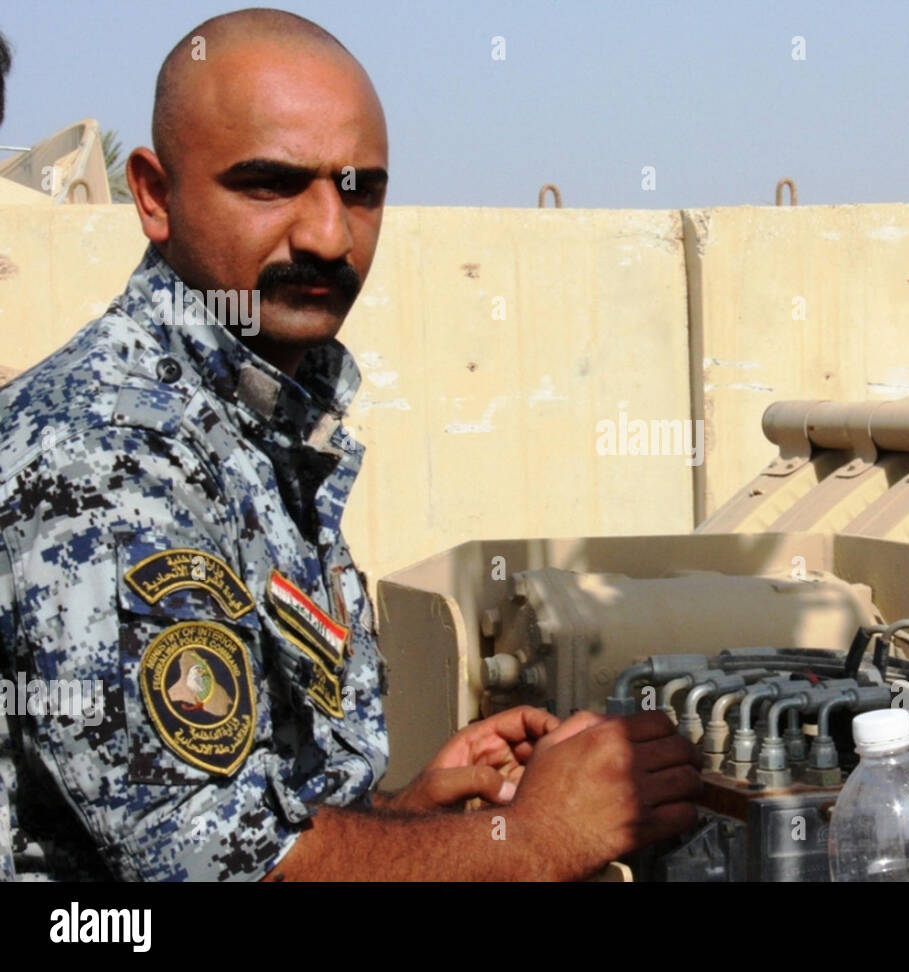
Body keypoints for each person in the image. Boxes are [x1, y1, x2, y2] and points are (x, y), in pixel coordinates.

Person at [0, 8, 701, 882]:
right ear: (154, 194)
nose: (328, 236)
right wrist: (533, 841)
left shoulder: (256, 414)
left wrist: (398, 819)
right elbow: (216, 868)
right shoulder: (103, 457)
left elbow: (247, 805)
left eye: (359, 188)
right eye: (270, 184)